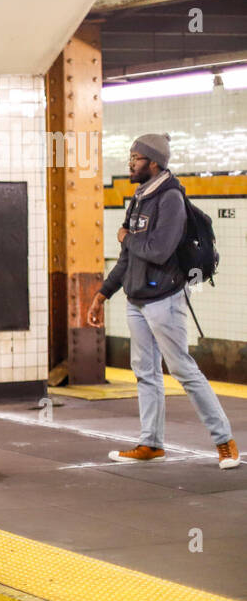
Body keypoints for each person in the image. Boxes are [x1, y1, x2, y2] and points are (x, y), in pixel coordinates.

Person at [86, 134, 238, 470]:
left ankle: (225, 442)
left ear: (154, 162)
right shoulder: (140, 197)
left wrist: (127, 236)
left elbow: (157, 251)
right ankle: (151, 443)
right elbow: (128, 257)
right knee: (145, 373)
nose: (130, 162)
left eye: (136, 157)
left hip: (164, 300)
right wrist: (103, 293)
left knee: (183, 369)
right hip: (136, 300)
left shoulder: (170, 198)